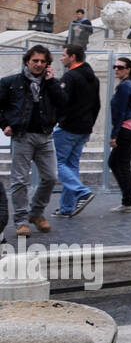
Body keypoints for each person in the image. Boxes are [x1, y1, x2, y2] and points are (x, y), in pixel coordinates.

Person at [0, 45, 67, 237]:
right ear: (27, 61)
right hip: (22, 136)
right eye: (35, 60)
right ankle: (21, 220)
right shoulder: (10, 82)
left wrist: (52, 82)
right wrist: (5, 124)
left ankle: (36, 213)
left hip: (45, 136)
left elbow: (63, 103)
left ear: (47, 64)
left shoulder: (51, 84)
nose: (38, 64)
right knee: (20, 180)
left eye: (42, 61)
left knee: (51, 177)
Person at [53, 44, 100, 218]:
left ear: (73, 57)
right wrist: (89, 127)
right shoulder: (93, 78)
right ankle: (67, 207)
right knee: (71, 166)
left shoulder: (70, 77)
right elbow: (97, 105)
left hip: (68, 128)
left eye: (63, 55)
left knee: (57, 164)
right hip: (83, 129)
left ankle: (82, 192)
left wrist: (56, 121)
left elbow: (61, 101)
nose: (61, 58)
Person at [107, 57, 131, 213]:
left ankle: (127, 201)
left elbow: (121, 112)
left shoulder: (124, 86)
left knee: (118, 164)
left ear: (128, 69)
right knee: (119, 163)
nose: (116, 69)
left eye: (120, 67)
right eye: (115, 67)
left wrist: (114, 135)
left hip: (127, 128)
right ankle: (127, 199)